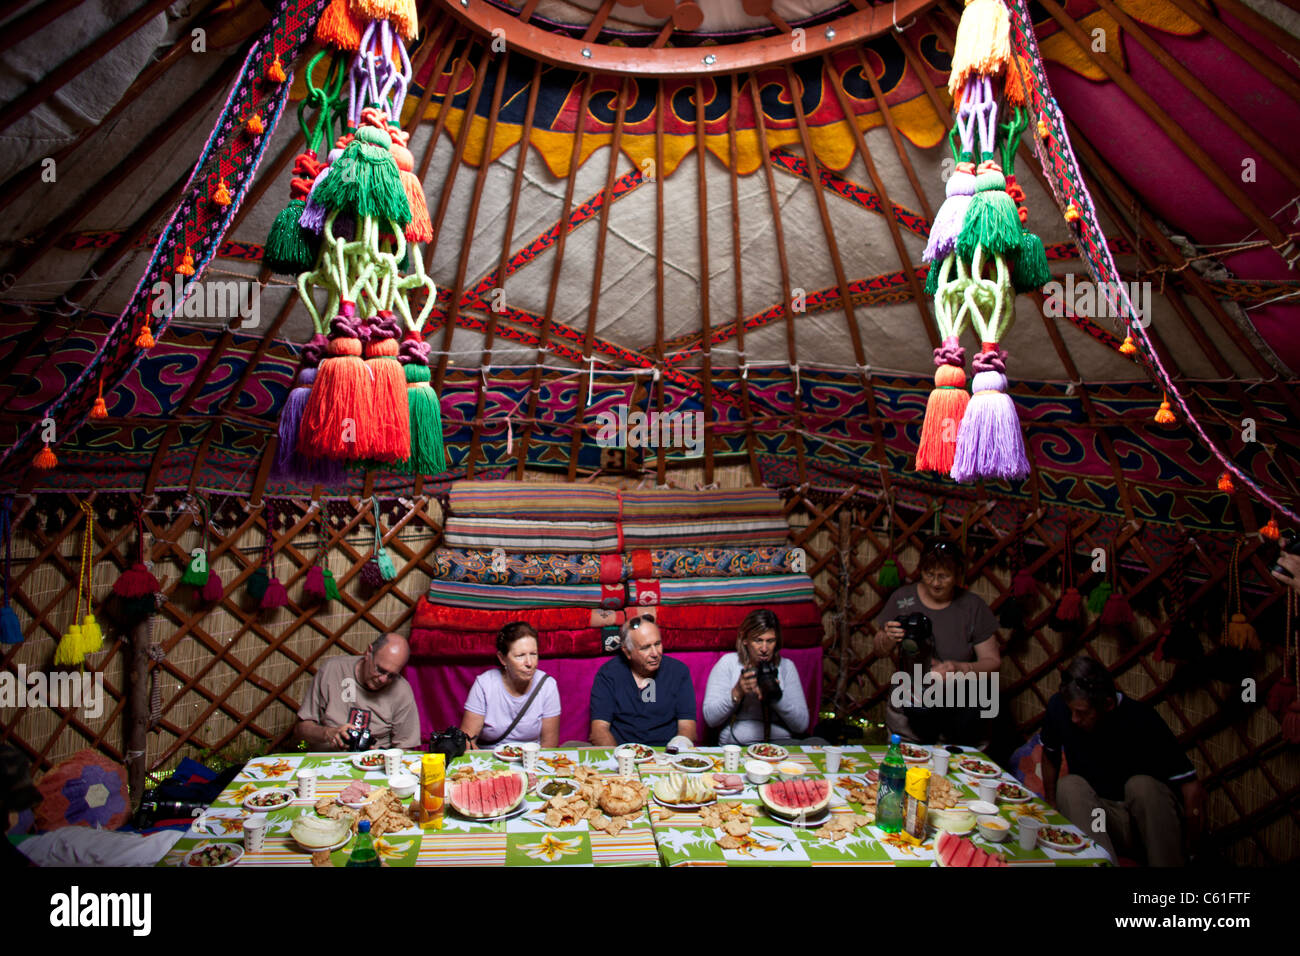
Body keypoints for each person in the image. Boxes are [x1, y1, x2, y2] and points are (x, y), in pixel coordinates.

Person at [1041, 656, 1205, 866]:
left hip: (1148, 825)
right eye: (1071, 710)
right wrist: (1052, 803)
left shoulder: (1142, 719)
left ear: (1107, 704)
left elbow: (1191, 787)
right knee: (1069, 785)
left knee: (1141, 786)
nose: (1073, 719)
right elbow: (1049, 753)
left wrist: (1192, 847)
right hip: (1101, 821)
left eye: (1082, 713)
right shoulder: (1059, 707)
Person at [872, 538, 1000, 744]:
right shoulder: (903, 599)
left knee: (956, 766)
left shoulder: (972, 606)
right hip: (910, 702)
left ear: (958, 574)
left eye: (944, 576)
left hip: (958, 703)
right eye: (929, 574)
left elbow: (993, 661)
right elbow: (879, 650)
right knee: (907, 765)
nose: (935, 582)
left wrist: (959, 667)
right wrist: (887, 639)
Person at [294, 632, 420, 751]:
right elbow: (300, 730)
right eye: (380, 670)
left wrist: (380, 759)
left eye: (391, 676)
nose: (383, 679)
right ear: (368, 652)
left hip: (375, 765)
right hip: (326, 760)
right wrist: (328, 733)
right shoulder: (332, 670)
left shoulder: (401, 690)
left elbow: (405, 747)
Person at [703, 608, 809, 745]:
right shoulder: (728, 663)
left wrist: (775, 696)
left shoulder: (786, 667)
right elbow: (710, 719)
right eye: (758, 640)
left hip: (780, 747)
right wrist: (737, 692)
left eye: (770, 641)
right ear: (744, 639)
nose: (764, 649)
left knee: (818, 742)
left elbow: (801, 725)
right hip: (737, 746)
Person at [589, 613, 696, 747]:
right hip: (623, 753)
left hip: (666, 755)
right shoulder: (608, 674)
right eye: (645, 648)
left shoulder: (679, 671)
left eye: (657, 644)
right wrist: (619, 758)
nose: (655, 653)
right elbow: (599, 729)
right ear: (627, 652)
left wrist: (675, 751)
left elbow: (688, 725)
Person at [460, 621, 561, 749]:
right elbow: (467, 741)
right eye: (520, 656)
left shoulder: (548, 686)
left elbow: (549, 745)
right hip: (490, 760)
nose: (529, 662)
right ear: (502, 658)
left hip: (531, 761)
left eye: (533, 654)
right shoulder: (484, 684)